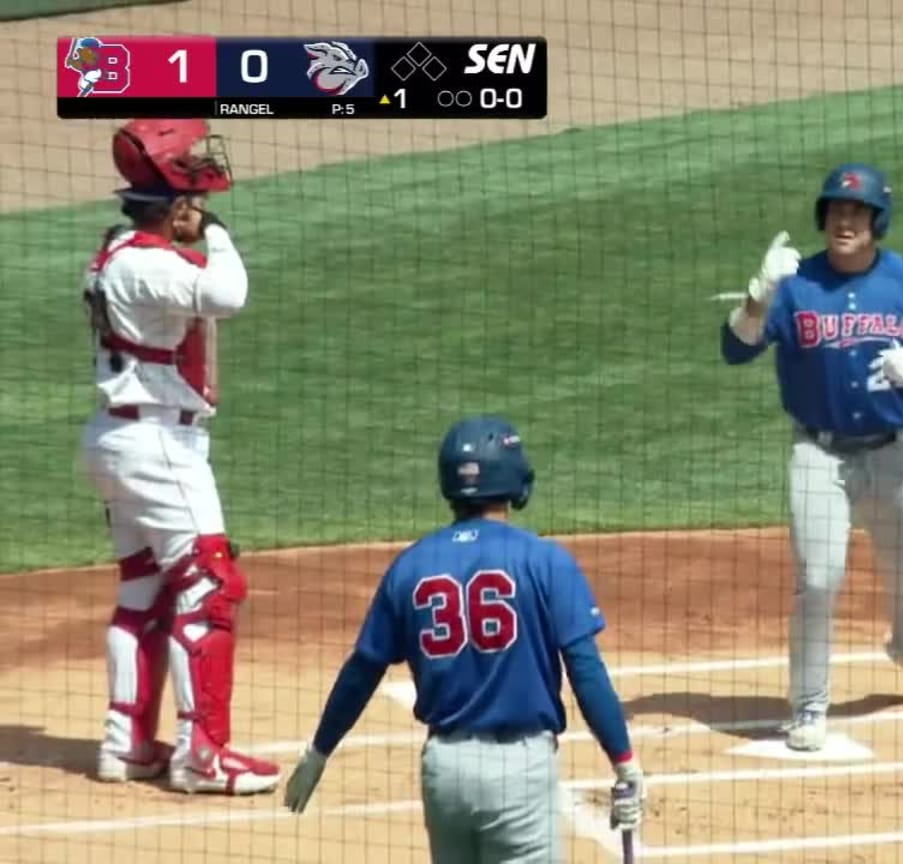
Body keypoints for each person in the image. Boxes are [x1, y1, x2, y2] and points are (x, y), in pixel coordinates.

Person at [282, 415, 645, 863]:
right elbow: (586, 671)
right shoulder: (545, 561)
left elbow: (363, 669)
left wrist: (319, 750)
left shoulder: (411, 567)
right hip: (520, 770)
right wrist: (623, 760)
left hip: (445, 772)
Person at [718, 162, 903, 751]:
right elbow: (734, 349)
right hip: (818, 453)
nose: (845, 220)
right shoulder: (797, 285)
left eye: (857, 212)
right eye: (836, 210)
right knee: (819, 579)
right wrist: (757, 296)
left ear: (876, 220)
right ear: (824, 218)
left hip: (893, 455)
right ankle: (809, 703)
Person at [80, 117, 281, 794]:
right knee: (212, 585)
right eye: (188, 173)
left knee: (145, 589)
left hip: (122, 437)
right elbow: (229, 293)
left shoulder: (117, 251)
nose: (200, 173)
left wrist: (190, 228)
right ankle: (203, 757)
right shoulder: (145, 261)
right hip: (159, 444)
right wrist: (217, 233)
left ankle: (126, 743)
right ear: (175, 204)